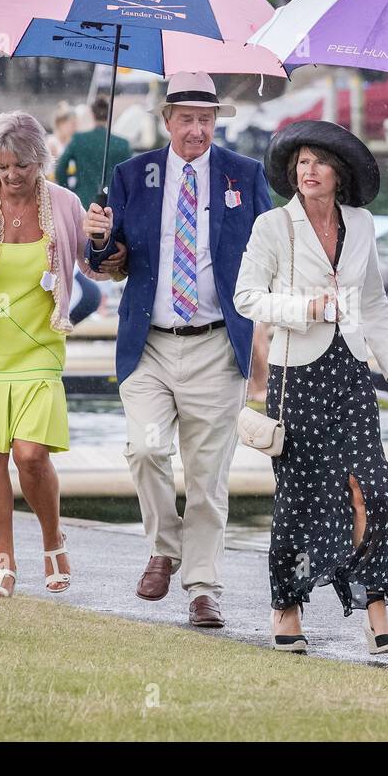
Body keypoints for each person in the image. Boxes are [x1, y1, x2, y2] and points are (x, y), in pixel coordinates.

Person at [85, 72, 272, 628]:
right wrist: (97, 236)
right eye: (187, 118)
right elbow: (104, 264)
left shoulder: (246, 174)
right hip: (149, 346)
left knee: (208, 476)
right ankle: (164, 547)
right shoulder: (130, 176)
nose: (197, 129)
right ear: (166, 120)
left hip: (217, 345)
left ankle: (203, 587)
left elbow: (270, 244)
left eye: (206, 119)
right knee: (145, 451)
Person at [235, 120, 388, 655]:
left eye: (319, 161)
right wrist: (303, 309)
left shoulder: (361, 224)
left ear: (339, 172)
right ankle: (286, 607)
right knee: (299, 501)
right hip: (297, 377)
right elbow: (246, 297)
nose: (308, 169)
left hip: (351, 372)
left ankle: (376, 607)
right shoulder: (274, 226)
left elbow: (373, 304)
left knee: (374, 493)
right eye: (301, 161)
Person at [0, 110, 124, 599]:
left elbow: (98, 271)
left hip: (39, 345)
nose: (11, 176)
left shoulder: (65, 202)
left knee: (30, 455)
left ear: (40, 162)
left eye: (22, 166)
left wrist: (102, 236)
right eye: (2, 166)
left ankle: (53, 540)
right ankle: (3, 562)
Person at [56, 95, 133, 208]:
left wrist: (70, 191)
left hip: (85, 203)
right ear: (109, 115)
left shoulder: (79, 140)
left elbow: (60, 170)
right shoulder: (123, 145)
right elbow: (130, 178)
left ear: (92, 115)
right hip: (113, 205)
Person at [45, 103, 78, 172]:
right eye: (72, 124)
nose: (75, 128)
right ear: (61, 123)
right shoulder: (51, 143)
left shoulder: (72, 142)